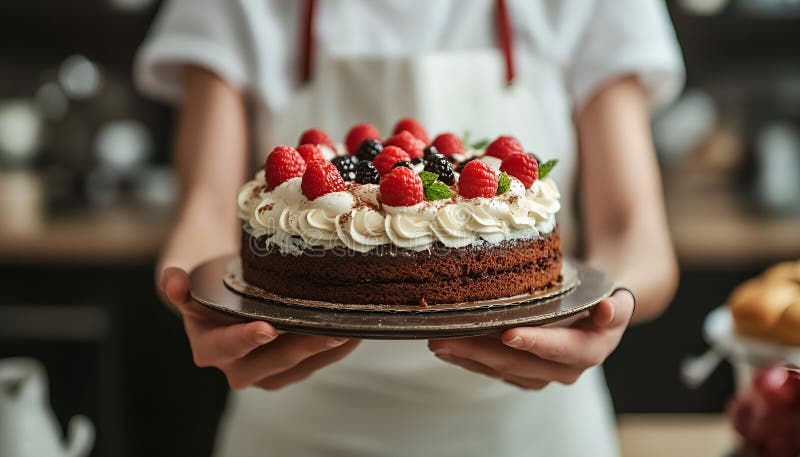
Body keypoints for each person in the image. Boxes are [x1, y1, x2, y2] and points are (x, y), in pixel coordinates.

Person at [137, 1, 683, 456]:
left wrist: (609, 307)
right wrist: (197, 295)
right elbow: (206, 213)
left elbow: (634, 232)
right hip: (294, 424)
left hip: (529, 431)